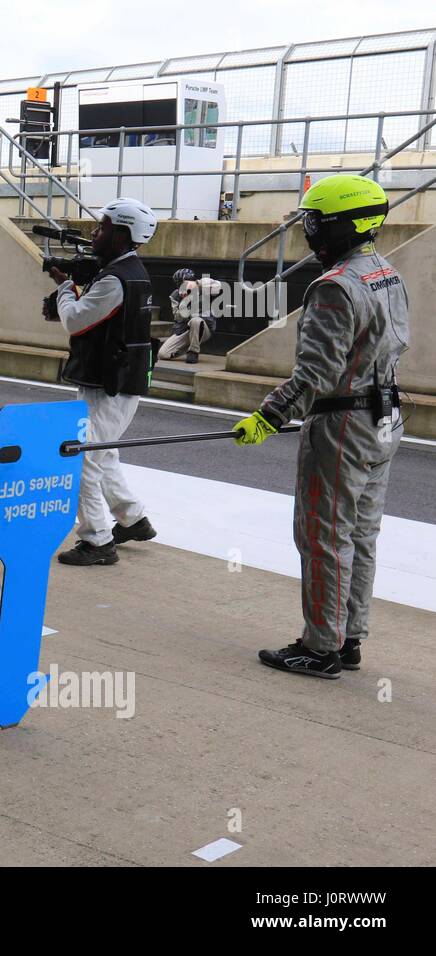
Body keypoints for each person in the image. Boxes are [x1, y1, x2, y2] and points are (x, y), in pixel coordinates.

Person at [234, 174, 408, 679]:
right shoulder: (385, 273)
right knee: (360, 533)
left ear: (342, 226)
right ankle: (349, 637)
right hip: (386, 417)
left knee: (323, 534)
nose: (309, 233)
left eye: (314, 223)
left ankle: (320, 648)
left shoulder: (334, 288)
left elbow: (316, 374)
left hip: (342, 425)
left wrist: (268, 416)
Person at [48, 197, 159, 566]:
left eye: (103, 226)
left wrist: (64, 289)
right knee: (103, 453)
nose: (95, 232)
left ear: (122, 234)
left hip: (110, 385)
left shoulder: (114, 279)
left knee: (83, 460)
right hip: (119, 380)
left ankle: (97, 541)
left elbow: (76, 320)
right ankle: (132, 519)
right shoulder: (133, 271)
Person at [159, 268, 223, 364]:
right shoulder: (175, 296)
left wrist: (198, 284)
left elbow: (219, 285)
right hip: (185, 329)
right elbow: (177, 317)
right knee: (163, 354)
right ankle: (188, 347)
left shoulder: (203, 288)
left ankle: (193, 352)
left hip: (204, 328)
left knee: (196, 321)